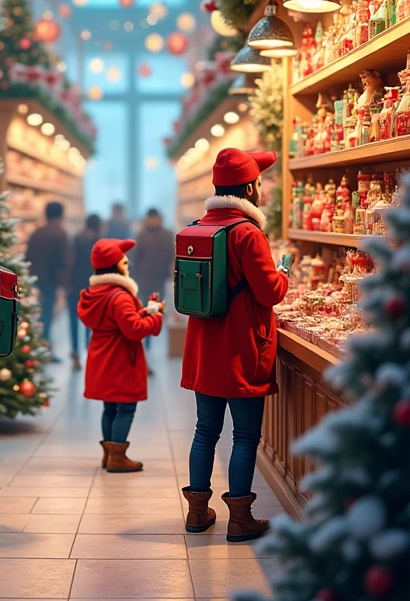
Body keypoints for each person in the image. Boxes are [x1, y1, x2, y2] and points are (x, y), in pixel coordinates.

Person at [180, 148, 290, 543]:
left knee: (204, 431)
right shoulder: (247, 233)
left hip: (204, 350)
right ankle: (240, 519)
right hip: (241, 348)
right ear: (248, 187)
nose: (260, 189)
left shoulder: (198, 228)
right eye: (258, 183)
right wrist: (284, 272)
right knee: (244, 437)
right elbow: (269, 292)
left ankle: (197, 512)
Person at [78, 238, 165, 472]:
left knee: (110, 408)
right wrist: (155, 317)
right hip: (121, 359)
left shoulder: (96, 293)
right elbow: (133, 329)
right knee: (125, 408)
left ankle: (108, 455)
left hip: (102, 357)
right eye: (124, 263)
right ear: (115, 266)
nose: (128, 267)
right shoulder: (120, 296)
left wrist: (147, 309)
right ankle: (118, 457)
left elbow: (123, 320)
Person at [25, 201, 71, 356]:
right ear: (61, 214)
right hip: (51, 280)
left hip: (35, 279)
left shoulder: (37, 232)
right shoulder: (60, 233)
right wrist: (65, 284)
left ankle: (38, 348)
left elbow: (28, 256)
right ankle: (45, 350)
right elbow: (64, 261)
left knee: (38, 314)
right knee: (48, 315)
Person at [132, 208, 175, 366]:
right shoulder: (154, 234)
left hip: (152, 280)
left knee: (150, 312)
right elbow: (137, 258)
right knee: (150, 312)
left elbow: (136, 258)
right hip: (151, 280)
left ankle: (147, 342)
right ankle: (147, 343)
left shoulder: (147, 234)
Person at [69, 213, 102, 368]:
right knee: (93, 319)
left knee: (73, 319)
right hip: (94, 284)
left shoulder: (76, 237)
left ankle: (75, 353)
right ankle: (90, 351)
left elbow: (71, 260)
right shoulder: (99, 240)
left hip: (75, 282)